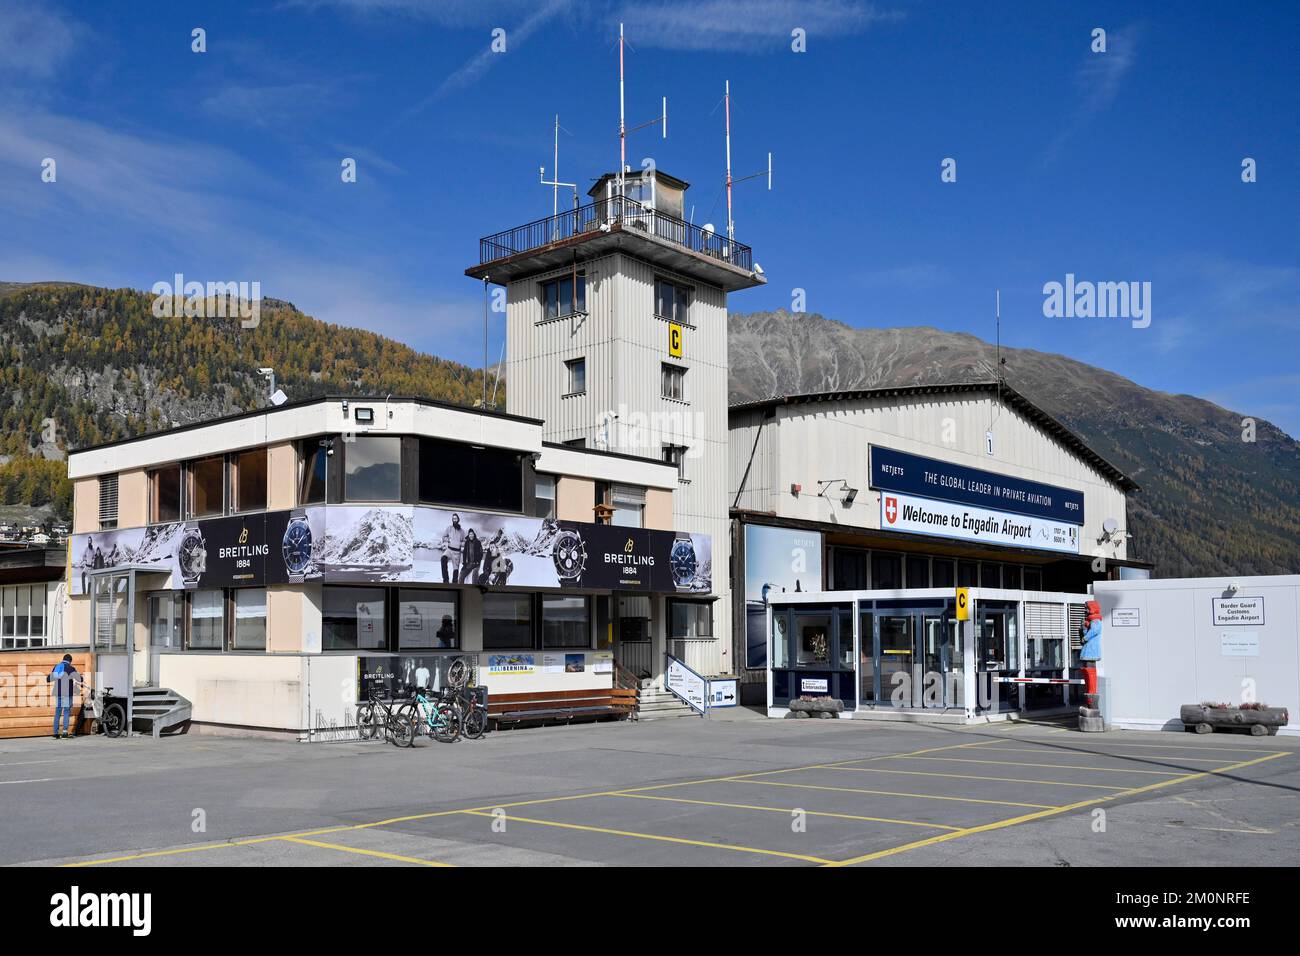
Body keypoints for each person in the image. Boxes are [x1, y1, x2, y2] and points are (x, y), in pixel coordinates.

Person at [46, 654, 82, 739]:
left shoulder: (57, 667)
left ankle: (55, 733)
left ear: (63, 659)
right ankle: (65, 732)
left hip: (58, 693)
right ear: (70, 661)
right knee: (66, 711)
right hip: (66, 693)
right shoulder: (70, 668)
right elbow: (80, 679)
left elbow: (48, 679)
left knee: (58, 712)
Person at [439, 513, 465, 583]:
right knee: (443, 559)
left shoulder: (462, 531)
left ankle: (454, 584)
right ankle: (446, 580)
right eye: (453, 519)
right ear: (452, 520)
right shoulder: (449, 528)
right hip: (449, 550)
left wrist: (459, 543)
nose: (454, 520)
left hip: (457, 553)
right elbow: (443, 537)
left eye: (455, 518)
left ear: (458, 519)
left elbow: (464, 542)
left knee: (455, 571)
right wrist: (448, 540)